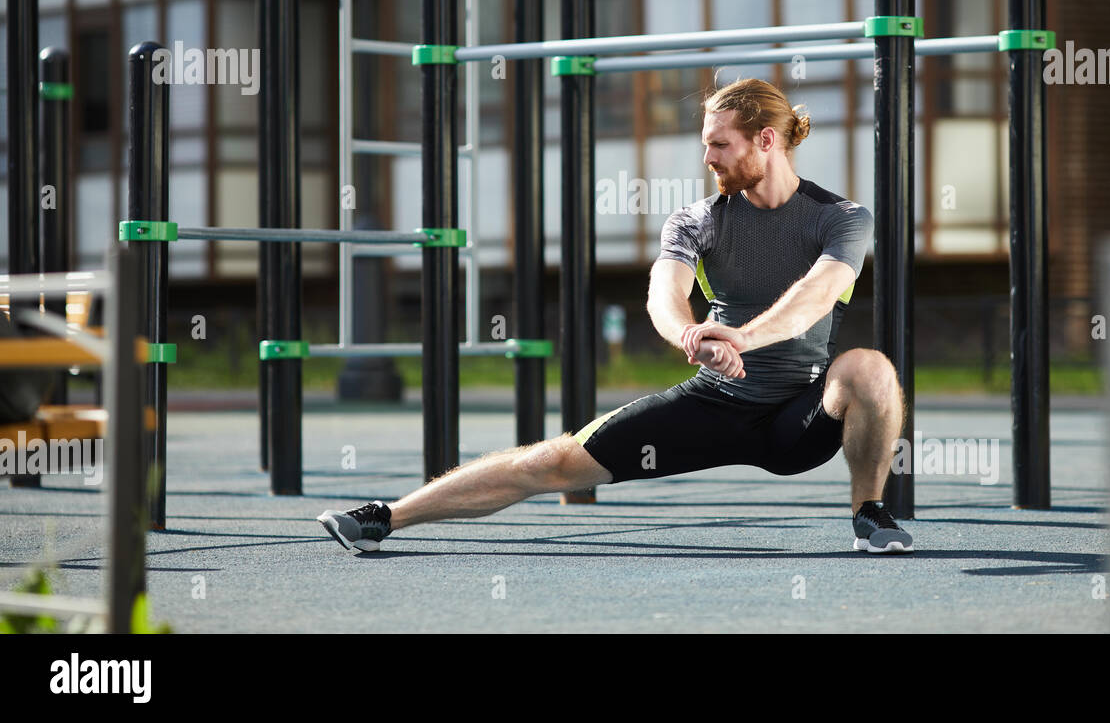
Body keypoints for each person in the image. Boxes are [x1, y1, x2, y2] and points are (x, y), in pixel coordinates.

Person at [318, 77, 914, 554]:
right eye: (705, 143)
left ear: (765, 141)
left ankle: (869, 509)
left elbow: (819, 291)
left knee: (870, 369)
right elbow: (663, 289)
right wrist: (691, 334)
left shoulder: (841, 217)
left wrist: (742, 337)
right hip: (714, 402)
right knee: (554, 462)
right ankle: (386, 517)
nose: (707, 157)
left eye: (719, 144)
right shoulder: (697, 218)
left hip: (799, 418)